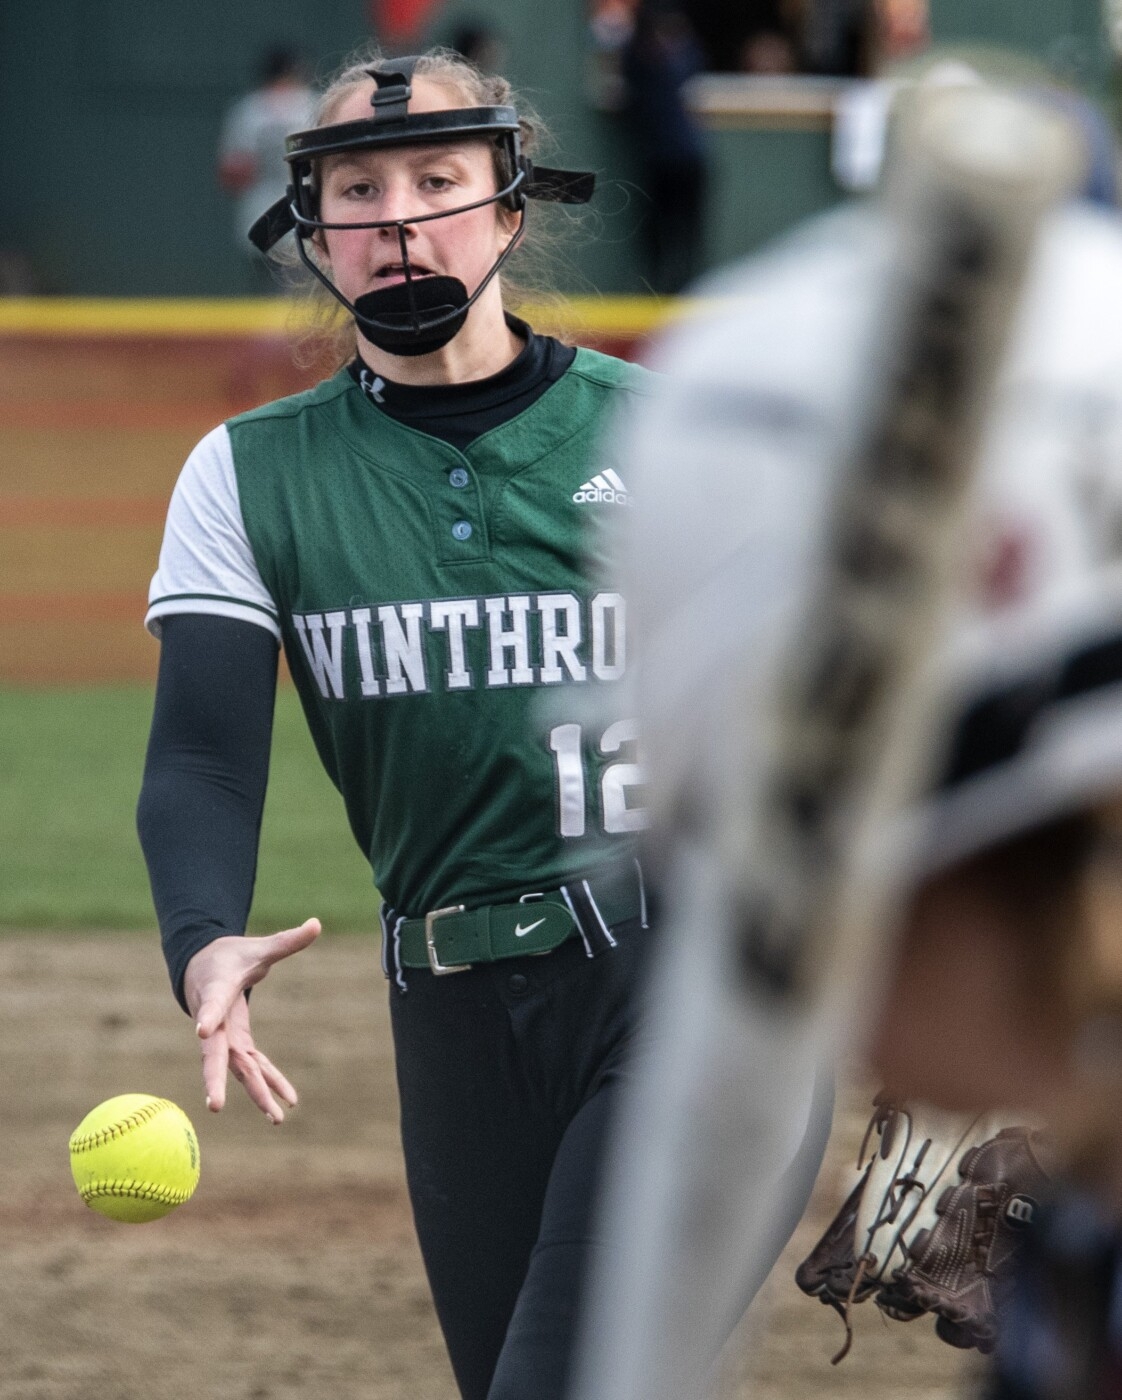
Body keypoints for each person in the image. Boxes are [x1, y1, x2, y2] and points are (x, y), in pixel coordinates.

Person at [139, 45, 661, 1400]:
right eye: (358, 189)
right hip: (447, 1010)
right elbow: (199, 750)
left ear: (508, 206)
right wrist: (200, 942)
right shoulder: (249, 474)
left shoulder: (665, 438)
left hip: (676, 989)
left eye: (438, 177)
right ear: (312, 232)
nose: (399, 218)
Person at [216, 45, 315, 283]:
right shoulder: (313, 105)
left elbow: (231, 174)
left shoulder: (249, 110)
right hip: (304, 215)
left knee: (263, 301)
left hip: (260, 217)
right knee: (303, 303)